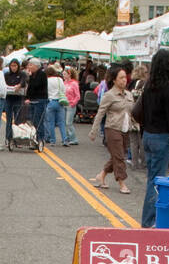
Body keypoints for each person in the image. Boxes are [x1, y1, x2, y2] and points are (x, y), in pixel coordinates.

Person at [139, 48, 169, 228]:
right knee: (157, 181)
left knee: (152, 178)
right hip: (160, 137)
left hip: (148, 135)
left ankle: (149, 218)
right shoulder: (168, 90)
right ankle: (149, 220)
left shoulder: (148, 86)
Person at [89, 66, 134, 194]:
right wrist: (94, 131)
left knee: (117, 155)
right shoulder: (109, 95)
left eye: (125, 77)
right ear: (114, 80)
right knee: (119, 157)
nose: (124, 80)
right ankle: (122, 182)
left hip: (125, 129)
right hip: (112, 128)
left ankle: (102, 175)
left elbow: (132, 112)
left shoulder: (129, 95)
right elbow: (100, 113)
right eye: (121, 78)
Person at [127, 62, 149, 171]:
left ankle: (134, 163)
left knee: (133, 141)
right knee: (141, 140)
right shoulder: (144, 84)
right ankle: (143, 162)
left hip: (131, 114)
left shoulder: (131, 84)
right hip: (141, 115)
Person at [25, 58, 49, 145]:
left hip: (40, 99)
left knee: (38, 120)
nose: (29, 67)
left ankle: (40, 139)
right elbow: (29, 88)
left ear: (36, 66)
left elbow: (36, 85)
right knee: (33, 120)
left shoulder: (42, 74)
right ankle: (34, 138)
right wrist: (27, 98)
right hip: (32, 100)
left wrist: (30, 77)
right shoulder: (32, 75)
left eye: (30, 65)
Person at [43, 66, 69, 146]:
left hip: (50, 101)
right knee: (61, 123)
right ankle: (64, 139)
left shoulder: (46, 80)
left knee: (51, 122)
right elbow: (64, 90)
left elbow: (45, 92)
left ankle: (52, 140)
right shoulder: (59, 79)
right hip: (60, 101)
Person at [3, 59, 26, 143]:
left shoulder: (22, 74)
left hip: (18, 97)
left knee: (18, 118)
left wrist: (19, 85)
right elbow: (3, 83)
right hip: (9, 97)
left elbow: (24, 81)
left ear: (18, 66)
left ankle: (17, 138)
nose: (13, 68)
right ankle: (8, 138)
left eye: (15, 66)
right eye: (12, 66)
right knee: (9, 118)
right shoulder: (7, 74)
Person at [63, 67, 81, 146]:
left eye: (65, 74)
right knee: (64, 122)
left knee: (68, 122)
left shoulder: (74, 83)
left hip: (71, 105)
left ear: (69, 74)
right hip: (64, 104)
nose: (63, 75)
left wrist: (73, 103)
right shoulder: (64, 83)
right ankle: (67, 137)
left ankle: (74, 138)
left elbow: (78, 96)